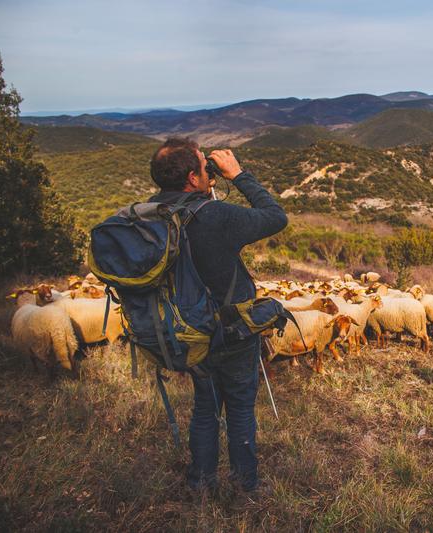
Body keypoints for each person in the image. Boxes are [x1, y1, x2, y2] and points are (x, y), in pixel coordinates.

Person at [148, 137, 287, 492]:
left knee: (204, 408)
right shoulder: (215, 215)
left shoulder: (151, 215)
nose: (209, 173)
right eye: (203, 167)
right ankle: (245, 486)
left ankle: (201, 483)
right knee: (240, 408)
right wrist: (237, 174)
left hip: (187, 332)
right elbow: (275, 217)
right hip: (233, 332)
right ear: (193, 178)